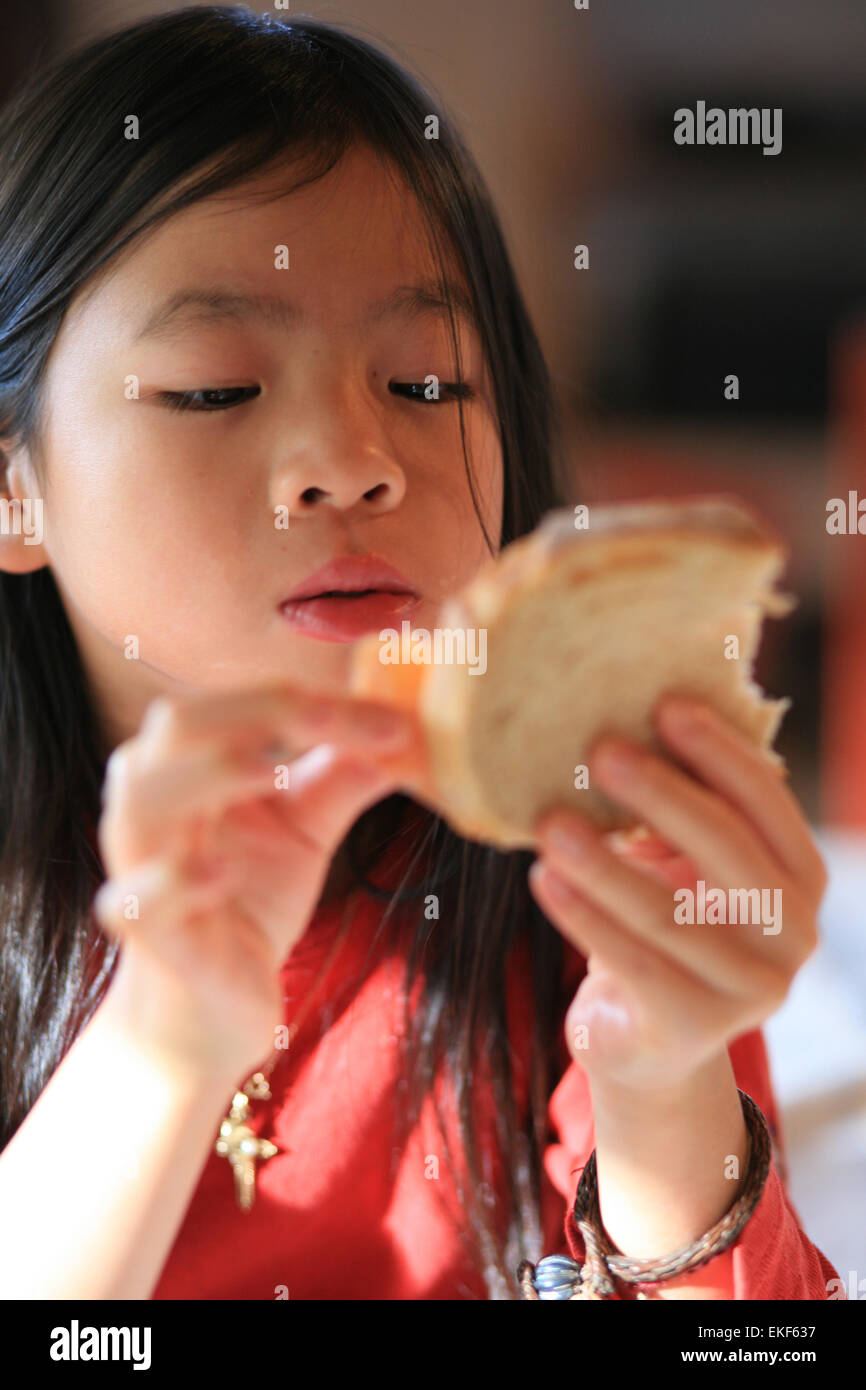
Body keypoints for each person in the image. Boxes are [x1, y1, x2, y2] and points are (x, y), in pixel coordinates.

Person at [0, 6, 840, 1300]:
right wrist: (168, 1042)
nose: (354, 461)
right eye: (216, 387)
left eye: (429, 384)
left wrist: (662, 1077)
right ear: (15, 491)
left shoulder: (596, 870)